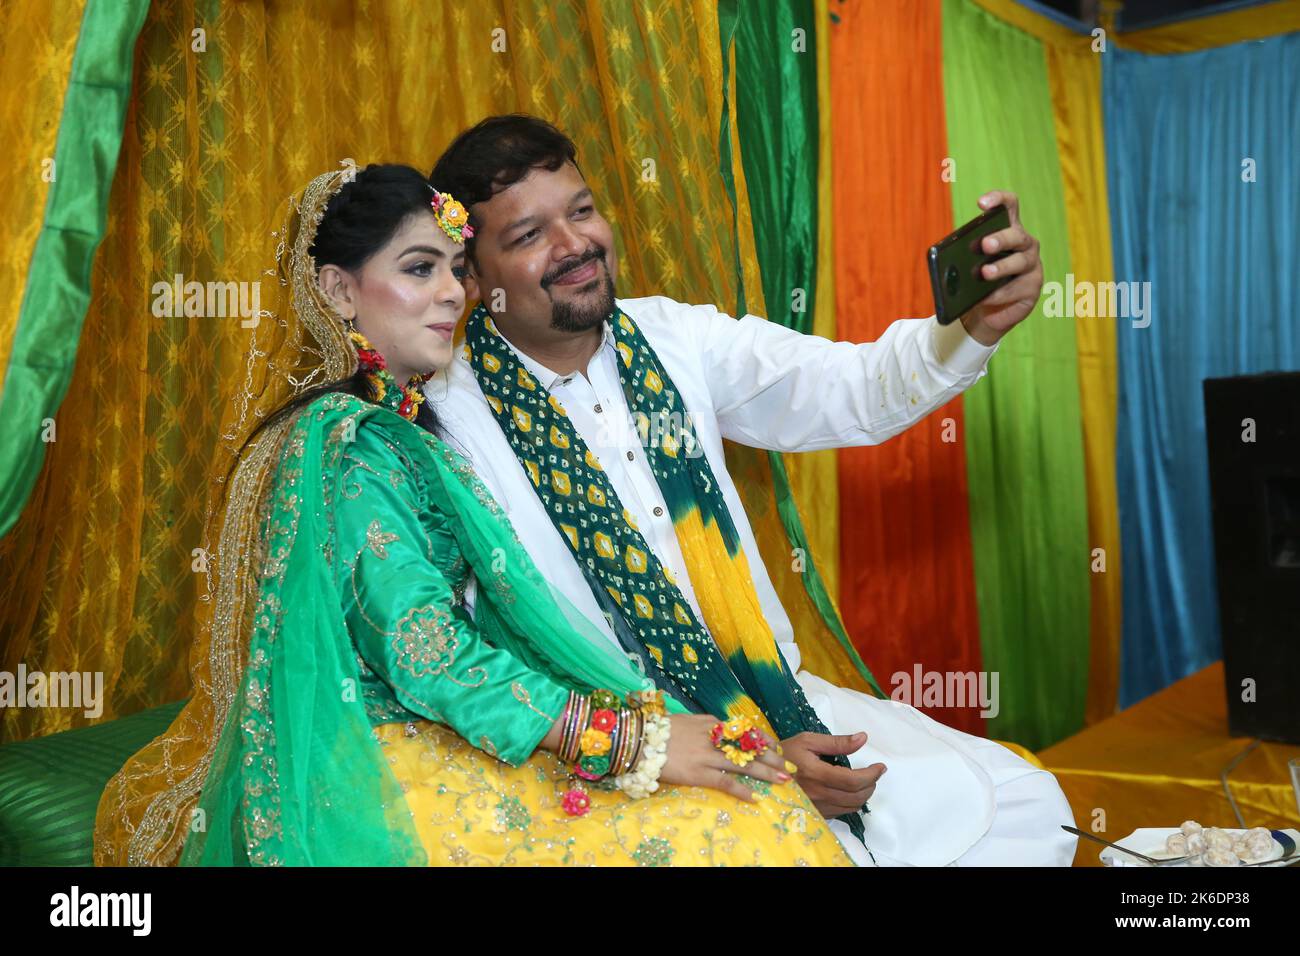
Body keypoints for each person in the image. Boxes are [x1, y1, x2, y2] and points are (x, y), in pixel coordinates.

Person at [92, 163, 854, 867]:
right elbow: (424, 651)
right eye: (419, 269)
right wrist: (633, 741)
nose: (455, 292)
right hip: (386, 766)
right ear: (336, 289)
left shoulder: (389, 424)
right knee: (748, 829)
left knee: (754, 813)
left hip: (458, 729)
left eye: (456, 269)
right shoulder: (352, 446)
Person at [428, 114, 1080, 866]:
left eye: (581, 211)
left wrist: (971, 325)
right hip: (620, 747)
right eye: (529, 235)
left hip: (774, 695)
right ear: (470, 276)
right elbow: (475, 653)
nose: (576, 246)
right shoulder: (448, 418)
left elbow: (857, 388)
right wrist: (746, 755)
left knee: (1030, 811)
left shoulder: (672, 339)